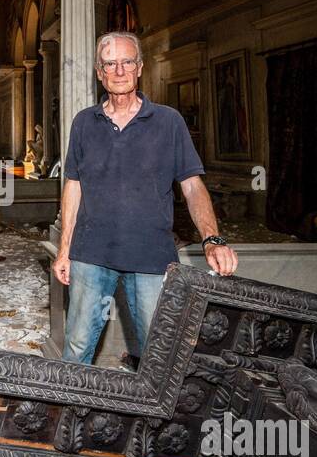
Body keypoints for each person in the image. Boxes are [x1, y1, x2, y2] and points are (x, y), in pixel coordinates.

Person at [53, 31, 238, 365]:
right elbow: (73, 187)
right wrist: (65, 249)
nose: (119, 71)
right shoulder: (83, 123)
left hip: (152, 256)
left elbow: (192, 186)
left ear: (139, 68)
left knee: (158, 354)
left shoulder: (169, 122)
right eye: (110, 64)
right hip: (91, 254)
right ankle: (69, 415)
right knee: (77, 349)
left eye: (127, 62)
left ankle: (153, 419)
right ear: (99, 72)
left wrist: (212, 238)